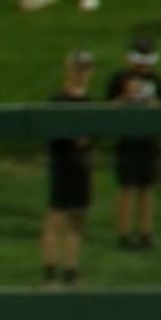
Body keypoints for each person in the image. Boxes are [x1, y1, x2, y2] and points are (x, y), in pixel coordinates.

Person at [41, 50, 98, 288]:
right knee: (56, 218)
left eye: (85, 69)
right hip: (63, 163)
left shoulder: (91, 103)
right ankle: (49, 272)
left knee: (77, 220)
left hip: (82, 165)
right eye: (77, 68)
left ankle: (71, 270)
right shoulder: (58, 100)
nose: (81, 74)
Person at [106, 37, 161, 250]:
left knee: (147, 188)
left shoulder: (157, 80)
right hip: (127, 140)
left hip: (149, 141)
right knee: (127, 188)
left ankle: (145, 232)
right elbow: (106, 108)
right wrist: (124, 96)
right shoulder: (118, 78)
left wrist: (154, 105)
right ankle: (123, 233)